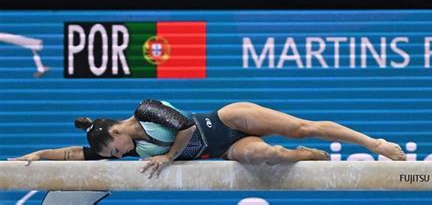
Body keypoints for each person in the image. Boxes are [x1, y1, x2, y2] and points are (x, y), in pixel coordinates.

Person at [9, 99, 407, 179]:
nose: (121, 155)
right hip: (225, 147)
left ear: (116, 131)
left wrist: (167, 159)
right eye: (115, 155)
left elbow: (182, 127)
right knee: (268, 157)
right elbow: (76, 154)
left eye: (117, 148)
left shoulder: (146, 110)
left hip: (226, 119)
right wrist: (37, 155)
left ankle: (376, 145)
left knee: (303, 125)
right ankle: (301, 157)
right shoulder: (113, 149)